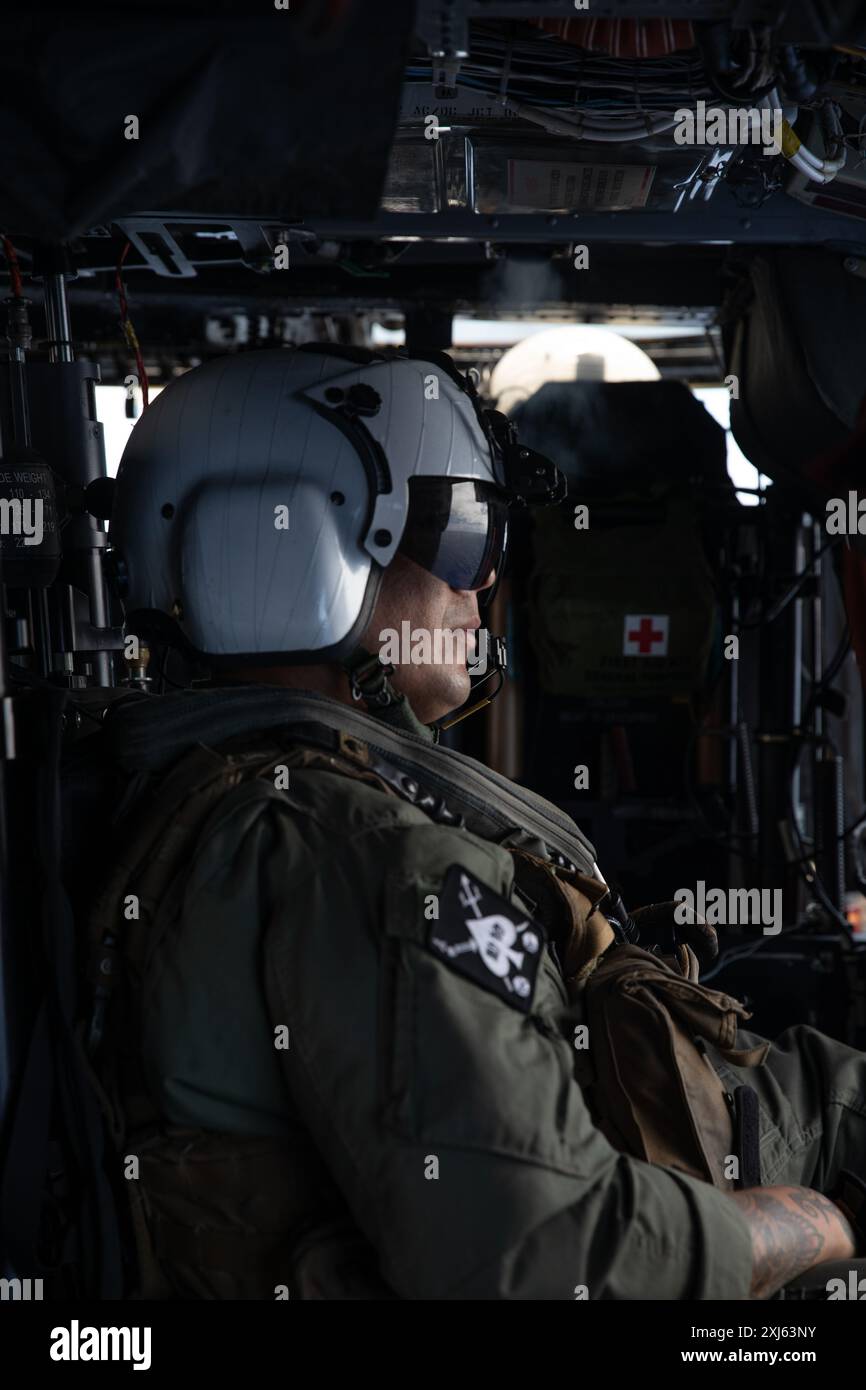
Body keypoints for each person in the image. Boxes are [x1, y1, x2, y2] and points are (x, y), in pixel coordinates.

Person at [99, 343, 866, 1300]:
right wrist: (816, 1227)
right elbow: (556, 1264)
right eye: (468, 532)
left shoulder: (228, 794)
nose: (485, 584)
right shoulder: (377, 857)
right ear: (294, 543)